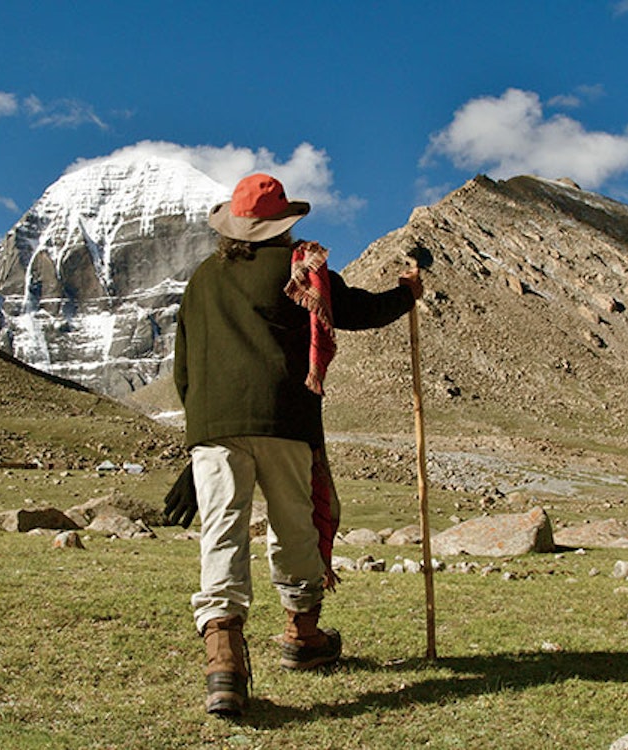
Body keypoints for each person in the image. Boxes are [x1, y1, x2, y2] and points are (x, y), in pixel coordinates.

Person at [173, 173, 423, 716]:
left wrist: (200, 436)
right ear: (282, 224)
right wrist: (406, 293)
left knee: (222, 532)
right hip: (285, 420)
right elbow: (355, 310)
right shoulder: (300, 269)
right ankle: (302, 634)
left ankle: (223, 662)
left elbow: (184, 368)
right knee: (295, 526)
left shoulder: (201, 279)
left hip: (213, 427)